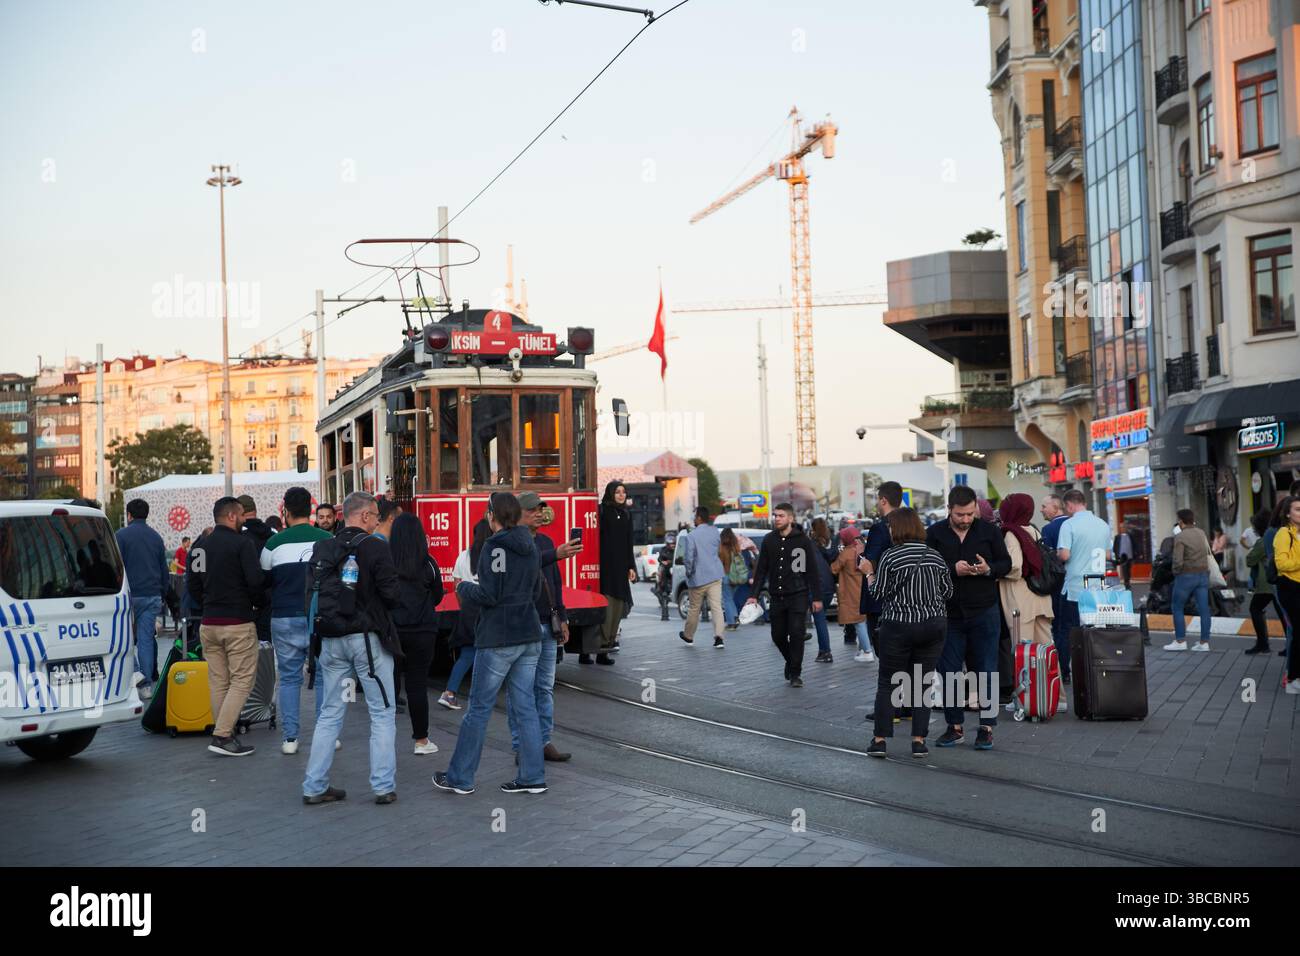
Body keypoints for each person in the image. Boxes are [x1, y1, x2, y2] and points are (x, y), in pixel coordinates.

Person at [435, 492, 548, 795]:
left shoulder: (494, 547)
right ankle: (532, 776)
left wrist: (464, 588)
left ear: (491, 515)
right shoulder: (531, 546)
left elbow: (490, 595)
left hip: (499, 637)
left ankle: (460, 778)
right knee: (525, 708)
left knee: (479, 709)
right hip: (529, 634)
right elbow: (536, 589)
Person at [302, 491, 403, 805]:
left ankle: (314, 786)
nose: (375, 521)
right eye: (374, 516)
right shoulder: (375, 547)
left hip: (330, 640)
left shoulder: (323, 547)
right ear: (363, 516)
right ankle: (383, 786)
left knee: (329, 714)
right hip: (366, 640)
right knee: (382, 712)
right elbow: (392, 595)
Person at [927, 485, 1011, 751]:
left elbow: (1005, 564)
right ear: (949, 509)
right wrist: (952, 570)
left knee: (986, 669)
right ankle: (954, 727)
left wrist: (988, 569)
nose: (965, 519)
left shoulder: (989, 531)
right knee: (949, 671)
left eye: (970, 514)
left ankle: (986, 728)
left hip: (984, 611)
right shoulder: (934, 534)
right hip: (949, 614)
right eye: (960, 514)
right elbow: (926, 569)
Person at [865, 508, 953, 757]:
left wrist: (868, 573)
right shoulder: (935, 556)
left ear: (898, 528)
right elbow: (948, 593)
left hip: (898, 626)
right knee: (922, 683)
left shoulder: (890, 557)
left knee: (888, 682)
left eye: (891, 526)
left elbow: (878, 593)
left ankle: (880, 740)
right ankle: (918, 741)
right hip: (933, 626)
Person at [187, 496, 265, 757]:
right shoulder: (243, 544)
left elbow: (193, 585)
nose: (245, 519)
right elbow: (255, 582)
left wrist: (207, 604)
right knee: (242, 680)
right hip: (238, 622)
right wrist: (257, 606)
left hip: (209, 623)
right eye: (242, 514)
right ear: (231, 516)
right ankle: (222, 735)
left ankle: (224, 734)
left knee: (219, 681)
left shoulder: (199, 547)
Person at [261, 486, 335, 754]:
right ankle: (326, 733)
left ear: (286, 511)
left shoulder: (274, 543)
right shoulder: (327, 538)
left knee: (290, 678)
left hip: (284, 617)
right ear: (311, 509)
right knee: (325, 675)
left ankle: (290, 738)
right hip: (320, 617)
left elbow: (264, 579)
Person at [507, 492, 574, 763]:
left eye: (540, 509)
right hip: (524, 623)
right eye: (533, 509)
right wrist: (555, 554)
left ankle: (544, 741)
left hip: (548, 622)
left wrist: (563, 616)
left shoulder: (545, 540)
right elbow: (527, 564)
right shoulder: (513, 542)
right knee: (521, 687)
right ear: (519, 513)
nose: (539, 513)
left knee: (544, 687)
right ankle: (521, 744)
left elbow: (554, 584)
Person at [388, 511, 444, 755]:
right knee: (417, 685)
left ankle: (384, 737)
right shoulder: (429, 563)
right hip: (423, 630)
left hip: (393, 632)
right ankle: (421, 740)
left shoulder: (386, 562)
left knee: (388, 682)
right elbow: (438, 596)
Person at [747, 503, 821, 688]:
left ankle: (796, 673)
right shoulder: (769, 540)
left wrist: (817, 597)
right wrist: (754, 595)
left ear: (790, 518)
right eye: (775, 515)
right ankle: (790, 660)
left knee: (796, 634)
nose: (777, 518)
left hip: (798, 595)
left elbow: (811, 570)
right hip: (777, 596)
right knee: (777, 635)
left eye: (781, 516)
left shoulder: (802, 541)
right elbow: (761, 569)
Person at [115, 498, 170, 698]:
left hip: (129, 596)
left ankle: (136, 673)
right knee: (146, 640)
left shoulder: (120, 536)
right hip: (152, 594)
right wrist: (163, 593)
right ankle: (146, 686)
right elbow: (164, 569)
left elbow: (116, 567)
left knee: (126, 639)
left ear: (128, 515)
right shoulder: (156, 537)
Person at [1055, 488, 1111, 682]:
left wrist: (1056, 554)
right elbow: (1108, 555)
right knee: (1093, 628)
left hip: (1075, 586)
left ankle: (1065, 671)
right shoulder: (1103, 524)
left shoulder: (1069, 525)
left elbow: (1065, 555)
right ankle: (1094, 667)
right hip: (1097, 585)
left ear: (1070, 504)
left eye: (1065, 507)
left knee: (1067, 630)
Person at [440, 519, 491, 710]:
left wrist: (466, 608)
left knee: (468, 653)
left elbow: (457, 586)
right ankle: (482, 697)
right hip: (488, 610)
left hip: (468, 610)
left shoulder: (463, 555)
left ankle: (450, 692)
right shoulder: (494, 555)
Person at [997, 493, 1054, 646]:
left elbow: (1015, 567)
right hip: (1041, 598)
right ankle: (1051, 671)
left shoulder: (1011, 533)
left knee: (1023, 651)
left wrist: (994, 571)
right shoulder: (1033, 530)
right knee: (1045, 648)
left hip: (1020, 601)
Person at [596, 480, 635, 663]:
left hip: (620, 569)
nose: (621, 495)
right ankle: (600, 649)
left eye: (623, 492)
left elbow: (629, 543)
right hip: (605, 567)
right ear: (611, 493)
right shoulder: (601, 511)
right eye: (617, 492)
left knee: (619, 607)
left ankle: (609, 642)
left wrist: (631, 567)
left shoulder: (626, 514)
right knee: (608, 607)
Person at [1163, 509, 1213, 652]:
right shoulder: (1201, 532)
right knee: (1204, 609)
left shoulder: (1180, 537)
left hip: (1186, 576)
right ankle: (1204, 643)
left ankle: (1180, 641)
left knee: (1177, 607)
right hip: (1203, 575)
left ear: (1181, 521)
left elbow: (1177, 561)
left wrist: (1176, 572)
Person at [679, 506, 726, 649]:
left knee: (694, 608)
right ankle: (719, 638)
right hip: (715, 574)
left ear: (699, 518)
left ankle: (688, 636)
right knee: (717, 607)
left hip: (698, 577)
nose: (693, 520)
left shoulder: (691, 536)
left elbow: (689, 558)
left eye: (695, 517)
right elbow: (717, 551)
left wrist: (689, 572)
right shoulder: (715, 532)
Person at [1270, 495, 1300, 694]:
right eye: (1297, 509)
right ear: (1288, 513)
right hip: (1289, 587)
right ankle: (1292, 679)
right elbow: (1282, 564)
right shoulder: (1283, 534)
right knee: (1297, 633)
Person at [237, 494, 275, 644]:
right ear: (255, 510)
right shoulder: (272, 535)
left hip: (243, 604)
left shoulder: (238, 537)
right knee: (266, 649)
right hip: (270, 601)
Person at [832, 527, 873, 662]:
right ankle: (863, 649)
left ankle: (867, 651)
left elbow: (834, 568)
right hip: (865, 588)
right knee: (863, 620)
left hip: (851, 591)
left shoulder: (847, 553)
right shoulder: (863, 549)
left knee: (858, 622)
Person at [1244, 509, 1282, 655]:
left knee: (1255, 609)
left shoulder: (1263, 540)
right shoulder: (1278, 535)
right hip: (1278, 582)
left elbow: (1249, 560)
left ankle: (1262, 643)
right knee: (1283, 615)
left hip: (1266, 584)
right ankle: (1288, 646)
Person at [809, 517, 837, 663]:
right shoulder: (830, 542)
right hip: (829, 586)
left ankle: (825, 652)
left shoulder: (811, 544)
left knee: (819, 620)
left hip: (817, 587)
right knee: (821, 618)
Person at [718, 529, 746, 631]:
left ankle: (732, 622)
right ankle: (734, 619)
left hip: (726, 576)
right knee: (730, 599)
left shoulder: (721, 548)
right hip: (737, 577)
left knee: (727, 599)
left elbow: (719, 563)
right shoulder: (736, 547)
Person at [1114, 522, 1135, 589]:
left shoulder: (1130, 536)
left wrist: (1136, 554)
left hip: (1129, 556)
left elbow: (1134, 545)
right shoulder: (1117, 537)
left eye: (1124, 527)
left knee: (1128, 569)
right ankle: (1126, 583)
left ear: (1126, 528)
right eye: (1122, 527)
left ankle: (1127, 580)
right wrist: (1117, 556)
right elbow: (1115, 547)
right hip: (1122, 557)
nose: (1123, 529)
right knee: (1124, 569)